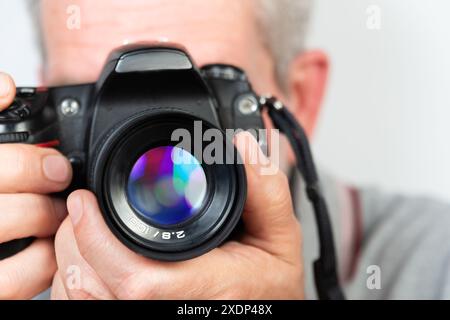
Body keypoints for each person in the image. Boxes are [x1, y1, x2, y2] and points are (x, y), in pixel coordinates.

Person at [0, 0, 449, 300]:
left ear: (300, 99)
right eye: (95, 97)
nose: (150, 149)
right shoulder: (20, 260)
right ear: (50, 109)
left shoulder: (434, 262)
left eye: (203, 88)